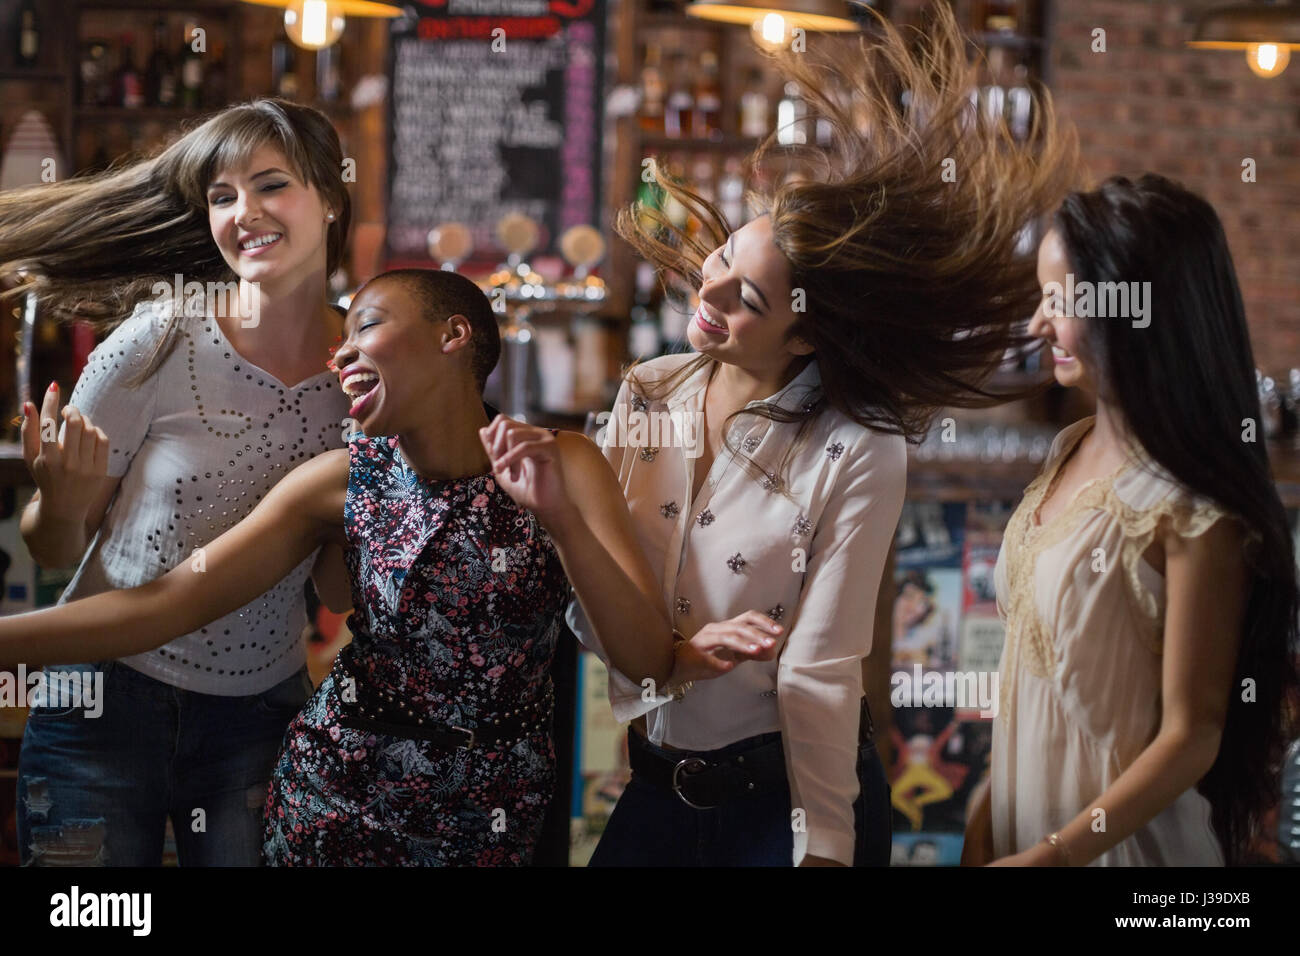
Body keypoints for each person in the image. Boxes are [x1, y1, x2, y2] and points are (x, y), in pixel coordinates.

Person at [486, 3, 1079, 866]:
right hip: (655, 792)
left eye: (747, 301)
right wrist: (678, 655)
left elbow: (820, 667)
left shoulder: (860, 448)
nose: (710, 297)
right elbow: (605, 625)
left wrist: (826, 847)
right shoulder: (647, 395)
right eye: (722, 262)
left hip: (788, 806)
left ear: (805, 335)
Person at [0, 268, 771, 865]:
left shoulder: (561, 461)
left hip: (493, 810)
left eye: (366, 325)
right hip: (334, 794)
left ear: (453, 336)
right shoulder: (340, 478)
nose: (341, 352)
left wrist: (559, 516)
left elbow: (640, 659)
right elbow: (166, 604)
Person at [0, 98, 358, 866]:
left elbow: (336, 591)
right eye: (222, 196)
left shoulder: (365, 372)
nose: (243, 213)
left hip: (258, 717)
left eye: (270, 186)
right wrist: (58, 504)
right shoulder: (158, 341)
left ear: (331, 198)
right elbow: (56, 550)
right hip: (99, 700)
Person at [961, 173, 1300, 866]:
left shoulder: (1191, 507)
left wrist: (1055, 854)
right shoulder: (1068, 450)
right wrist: (987, 809)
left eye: (1058, 301)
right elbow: (1037, 688)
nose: (1035, 323)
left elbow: (1192, 734)